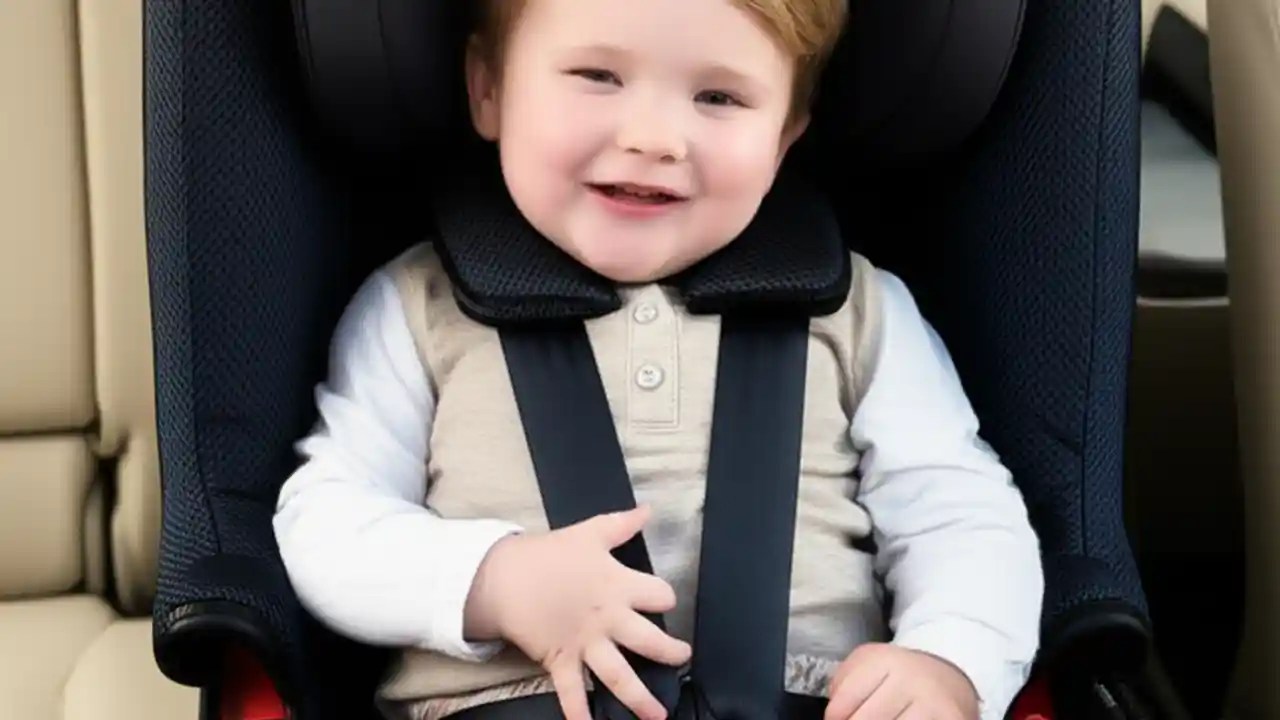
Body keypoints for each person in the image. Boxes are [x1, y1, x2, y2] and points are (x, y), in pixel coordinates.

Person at [272, 0, 1045, 718]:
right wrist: (494, 582)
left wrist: (950, 660)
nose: (654, 137)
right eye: (597, 77)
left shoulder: (860, 311)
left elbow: (961, 516)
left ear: (785, 133)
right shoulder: (420, 306)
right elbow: (328, 520)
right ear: (489, 89)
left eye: (720, 98)